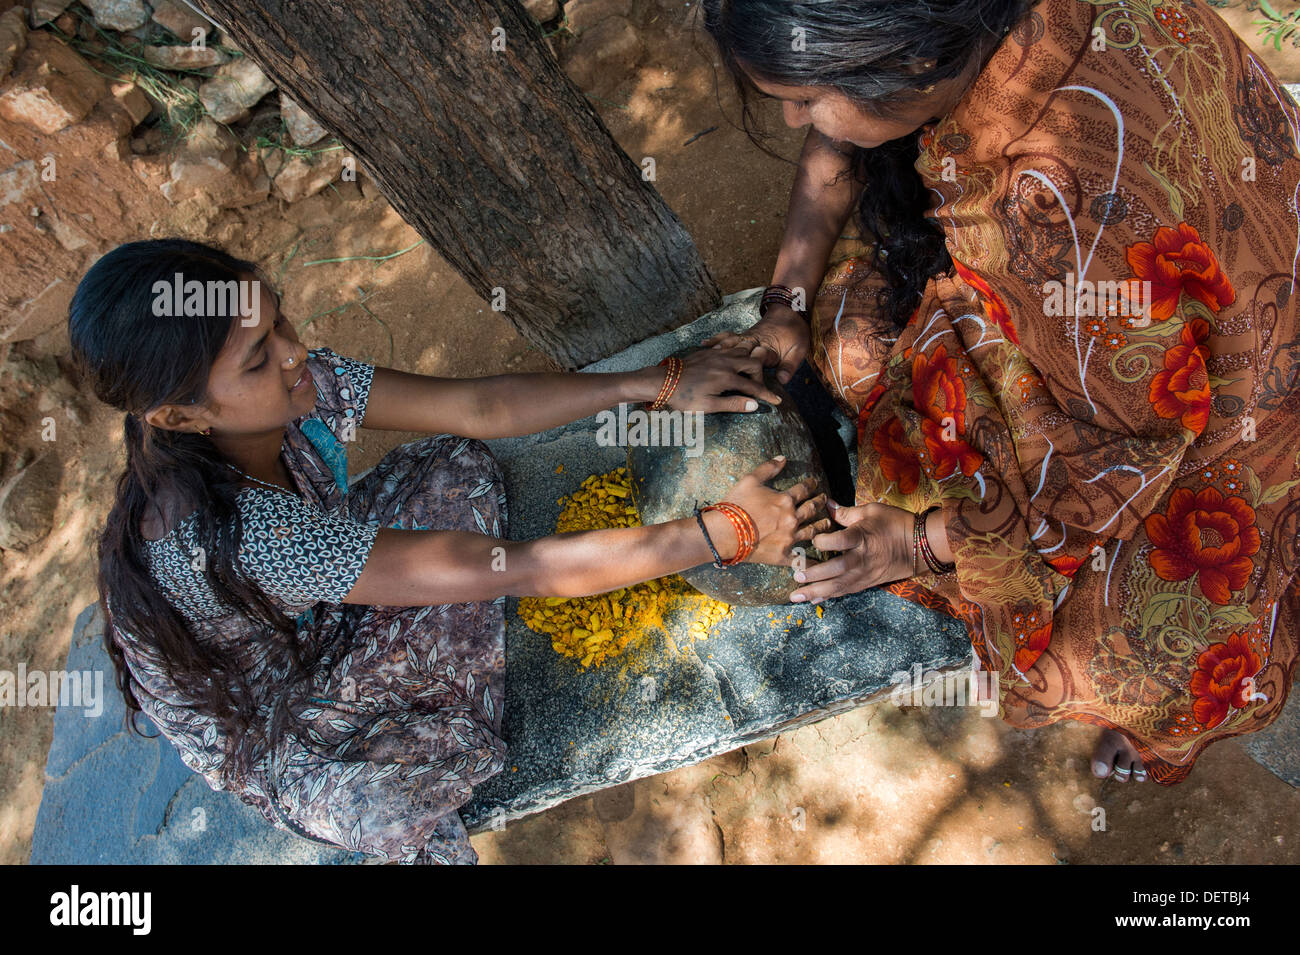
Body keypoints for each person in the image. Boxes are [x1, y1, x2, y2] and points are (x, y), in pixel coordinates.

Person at [70, 237, 824, 863]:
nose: (297, 354)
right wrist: (722, 531)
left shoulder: (293, 383)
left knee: (454, 465)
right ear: (178, 413)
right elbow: (521, 567)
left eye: (278, 325)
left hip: (310, 604)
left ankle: (376, 627)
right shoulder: (247, 539)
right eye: (259, 358)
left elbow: (477, 404)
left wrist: (654, 383)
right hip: (278, 713)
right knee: (403, 811)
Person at [701, 0, 1300, 784]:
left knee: (1132, 650)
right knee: (850, 330)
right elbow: (836, 138)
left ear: (907, 61)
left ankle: (1166, 722)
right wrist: (788, 306)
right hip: (1238, 277)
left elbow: (1112, 470)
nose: (792, 121)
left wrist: (914, 541)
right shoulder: (975, 26)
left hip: (1221, 419)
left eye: (805, 98)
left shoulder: (1049, 216)